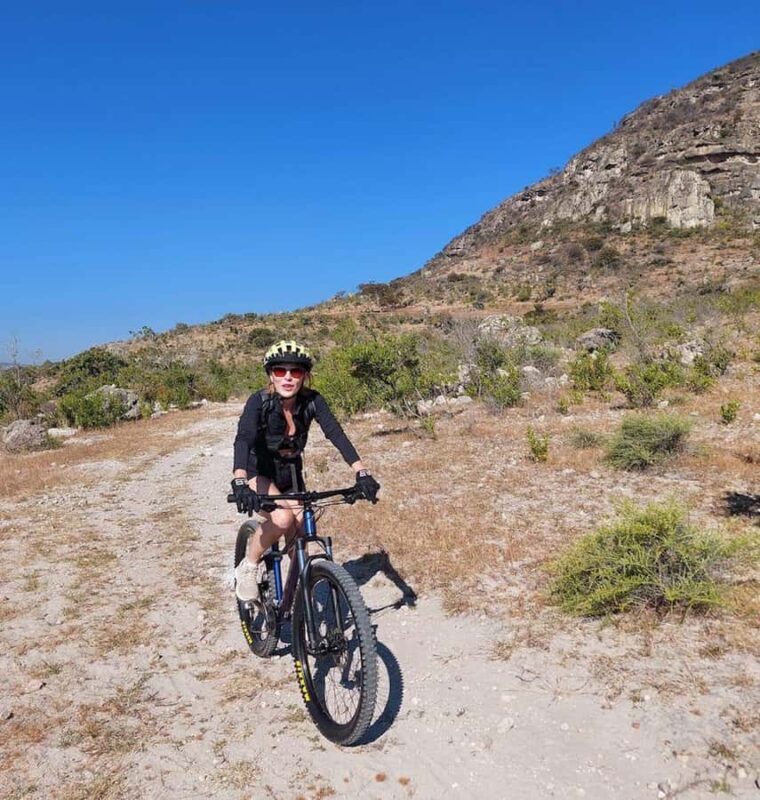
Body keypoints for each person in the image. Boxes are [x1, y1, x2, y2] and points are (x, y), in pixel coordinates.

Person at [231, 340, 380, 601]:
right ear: (271, 375)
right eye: (280, 371)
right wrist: (240, 480)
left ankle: (297, 598)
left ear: (305, 376)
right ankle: (249, 565)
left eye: (296, 371)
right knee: (282, 518)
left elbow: (335, 433)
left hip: (290, 474)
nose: (288, 377)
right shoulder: (259, 401)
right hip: (258, 472)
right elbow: (244, 438)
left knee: (301, 535)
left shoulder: (313, 401)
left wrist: (362, 472)